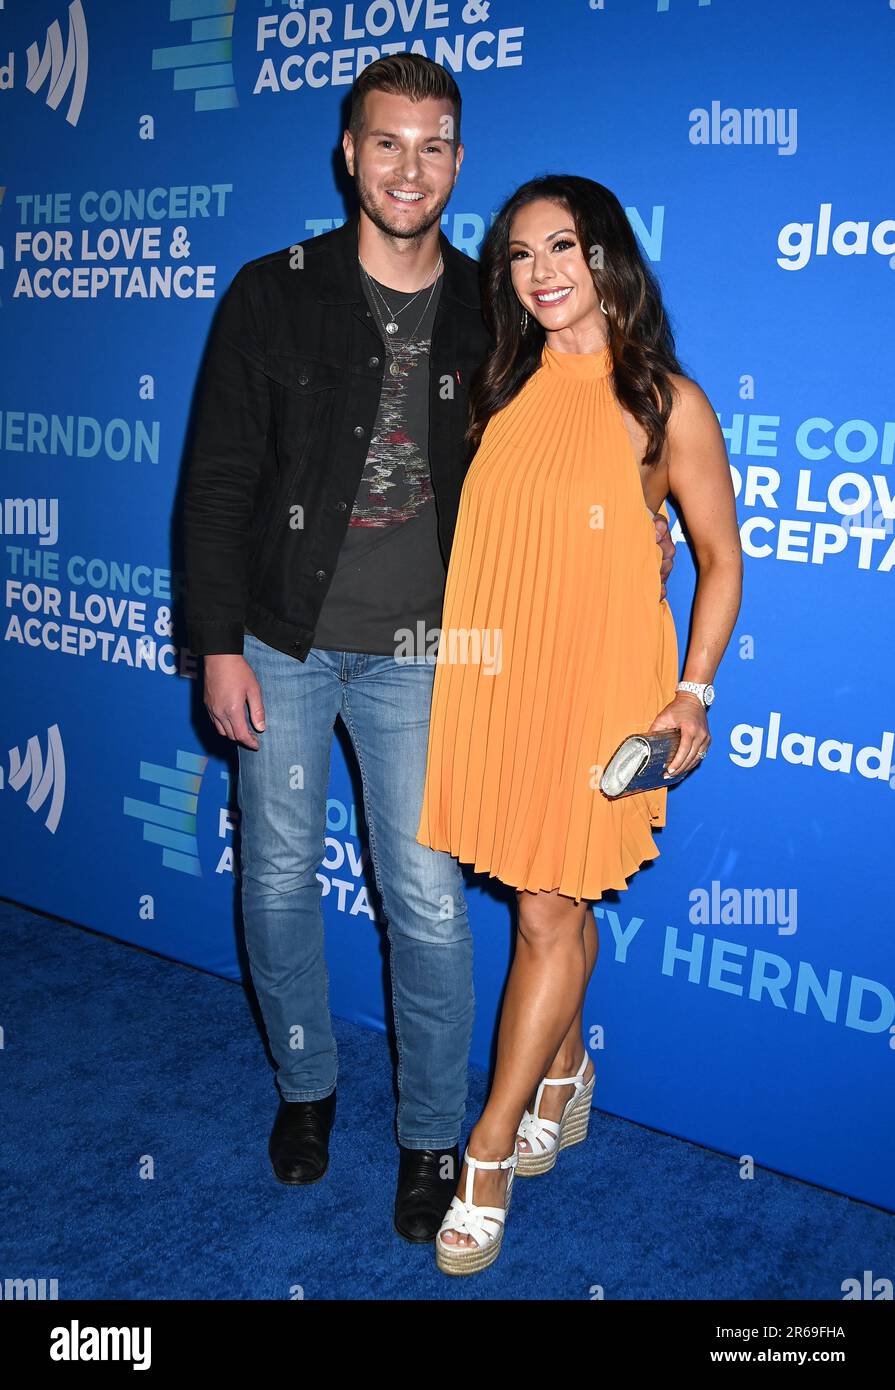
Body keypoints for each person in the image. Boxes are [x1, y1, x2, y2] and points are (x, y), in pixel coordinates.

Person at [182, 57, 675, 1245]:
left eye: (436, 144)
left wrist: (641, 513)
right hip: (281, 643)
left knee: (429, 904)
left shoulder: (491, 306)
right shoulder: (272, 291)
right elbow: (217, 483)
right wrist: (216, 647)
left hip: (424, 655)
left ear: (459, 160)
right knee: (276, 879)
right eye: (388, 142)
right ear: (349, 153)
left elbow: (582, 430)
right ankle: (307, 1091)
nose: (412, 165)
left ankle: (430, 1136)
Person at [416, 174, 743, 1276]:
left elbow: (718, 557)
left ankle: (489, 1150)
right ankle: (567, 1071)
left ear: (609, 258)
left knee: (551, 906)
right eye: (519, 253)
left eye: (565, 246)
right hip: (500, 676)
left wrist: (690, 690)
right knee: (538, 893)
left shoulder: (665, 402)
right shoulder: (495, 383)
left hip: (601, 684)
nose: (543, 270)